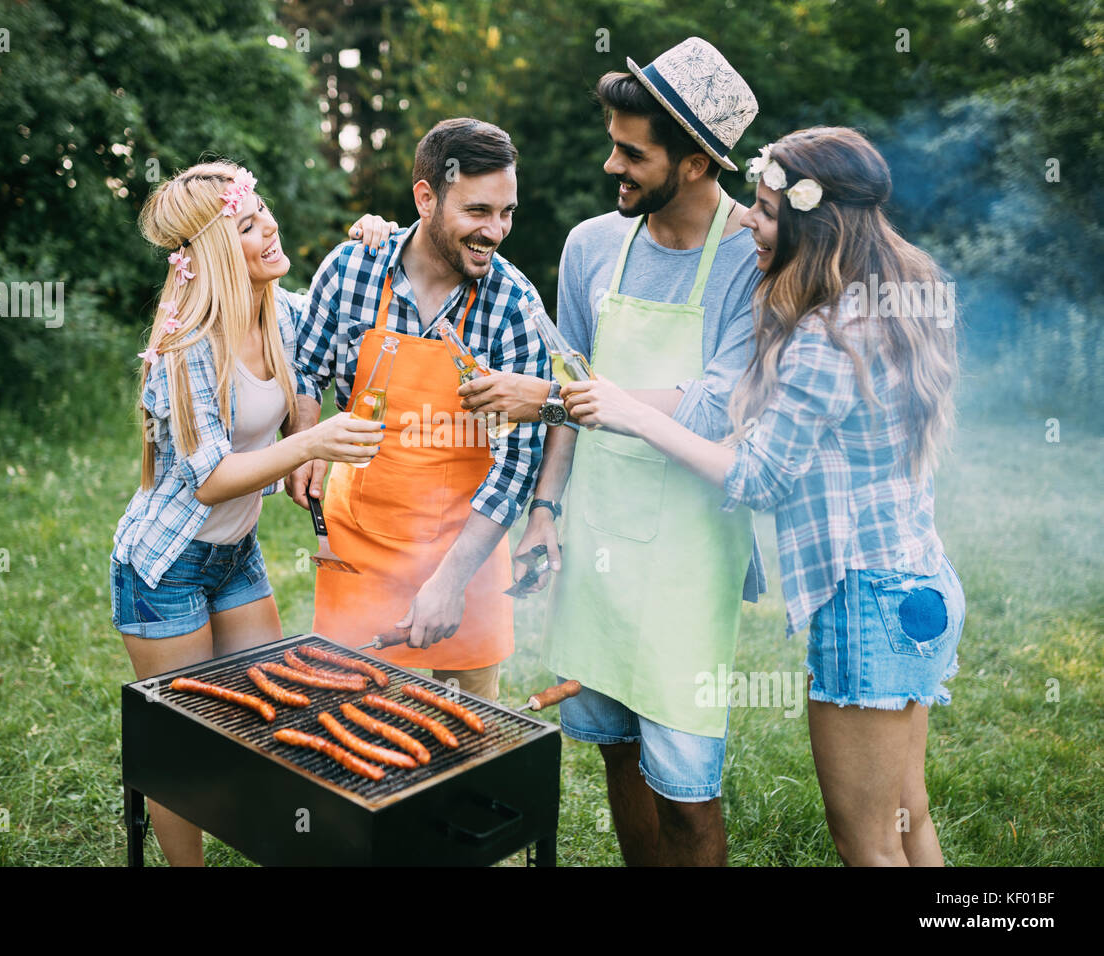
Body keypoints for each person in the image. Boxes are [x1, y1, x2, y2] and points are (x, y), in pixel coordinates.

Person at [563, 126, 964, 867]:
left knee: (870, 845)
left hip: (864, 602)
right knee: (909, 820)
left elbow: (758, 477)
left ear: (817, 225)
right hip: (922, 588)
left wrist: (629, 411)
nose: (750, 219)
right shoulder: (904, 294)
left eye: (769, 210)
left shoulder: (826, 334)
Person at [469, 38, 767, 866]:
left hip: (687, 555)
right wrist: (544, 511)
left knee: (687, 790)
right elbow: (570, 390)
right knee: (617, 758)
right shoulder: (594, 244)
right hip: (598, 532)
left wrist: (556, 395)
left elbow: (714, 406)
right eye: (614, 143)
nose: (612, 165)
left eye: (632, 152)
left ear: (700, 162)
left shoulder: (756, 252)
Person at [110, 160, 388, 865]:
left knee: (273, 716)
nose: (269, 227)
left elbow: (356, 319)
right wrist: (312, 442)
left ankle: (280, 845)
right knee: (184, 743)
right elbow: (211, 480)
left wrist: (375, 243)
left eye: (262, 211)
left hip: (235, 556)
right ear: (210, 255)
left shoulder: (284, 313)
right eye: (247, 224)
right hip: (164, 567)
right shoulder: (186, 348)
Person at [287, 118, 549, 701]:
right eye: (478, 211)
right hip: (358, 541)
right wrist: (304, 437)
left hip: (469, 552)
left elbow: (518, 461)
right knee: (353, 720)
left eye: (507, 212)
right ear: (425, 198)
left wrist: (451, 581)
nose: (496, 231)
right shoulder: (350, 271)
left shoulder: (512, 304)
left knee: (467, 740)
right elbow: (307, 366)